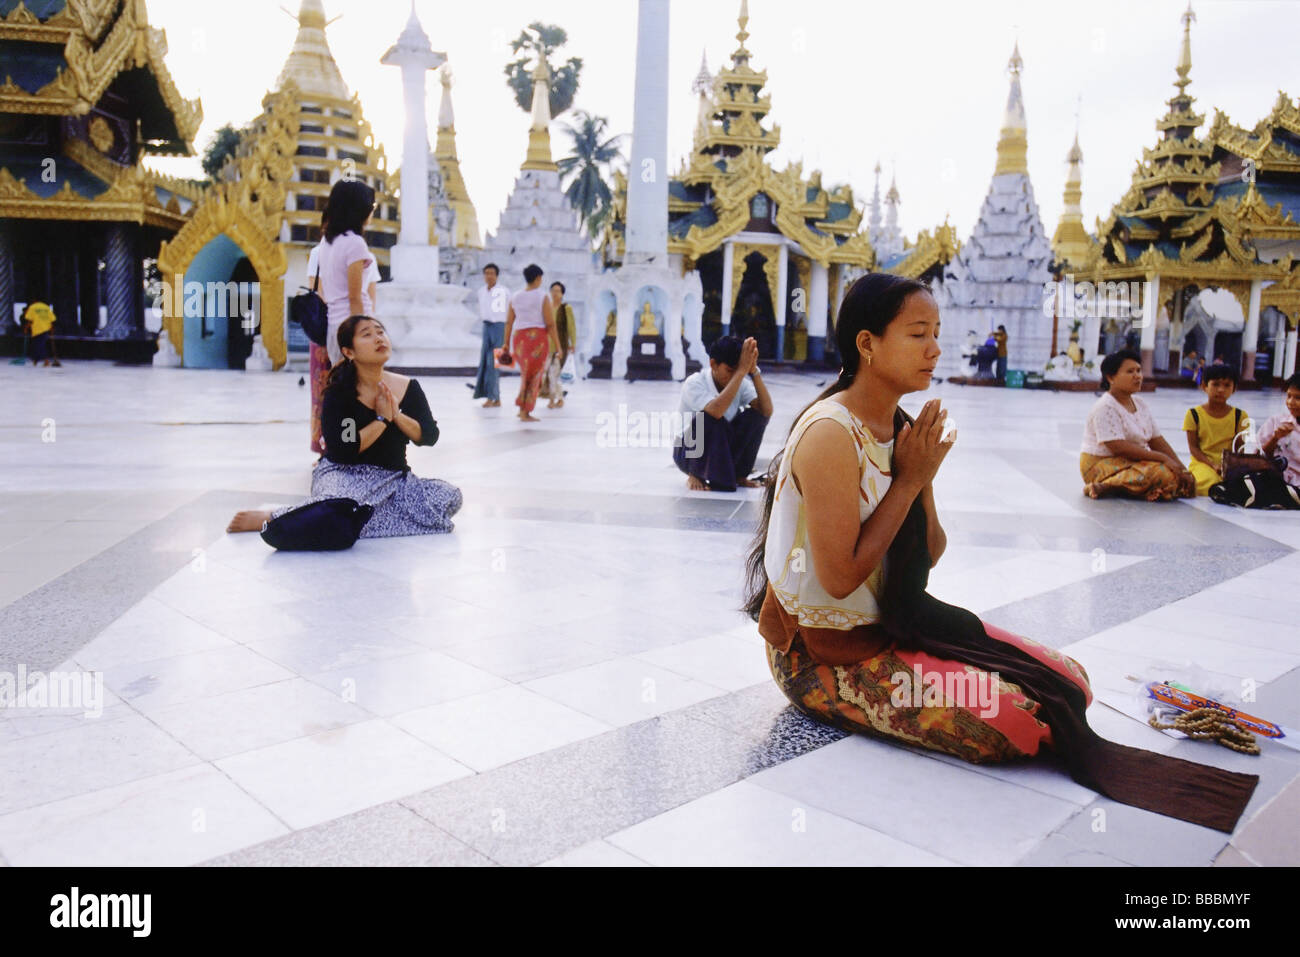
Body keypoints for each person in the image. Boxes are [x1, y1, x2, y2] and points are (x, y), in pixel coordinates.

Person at [741, 272, 1257, 835]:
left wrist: (921, 479)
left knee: (1070, 683)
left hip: (893, 622)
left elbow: (930, 552)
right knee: (1012, 723)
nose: (936, 349)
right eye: (918, 334)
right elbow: (839, 579)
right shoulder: (830, 435)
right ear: (867, 344)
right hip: (821, 652)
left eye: (935, 333)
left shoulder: (900, 426)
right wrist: (909, 483)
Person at [228, 316, 462, 538]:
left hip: (394, 480)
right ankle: (275, 516)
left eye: (381, 332)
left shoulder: (407, 387)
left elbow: (429, 436)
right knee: (341, 506)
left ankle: (348, 519)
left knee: (449, 497)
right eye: (367, 335)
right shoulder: (342, 393)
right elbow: (346, 449)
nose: (379, 338)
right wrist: (381, 420)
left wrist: (396, 415)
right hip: (345, 475)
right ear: (349, 352)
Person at [306, 181, 377, 453]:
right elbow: (356, 295)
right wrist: (366, 332)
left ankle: (337, 447)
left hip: (334, 326)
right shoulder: (356, 244)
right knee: (361, 393)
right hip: (352, 322)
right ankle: (356, 450)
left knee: (342, 392)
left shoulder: (327, 242)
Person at [1079, 349, 1195, 500]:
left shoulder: (1140, 404)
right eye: (1130, 372)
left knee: (1176, 476)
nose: (1137, 376)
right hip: (1101, 463)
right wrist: (1161, 458)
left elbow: (1157, 441)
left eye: (1139, 371)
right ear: (1111, 377)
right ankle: (1108, 485)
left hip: (1132, 462)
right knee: (1160, 473)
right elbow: (1118, 447)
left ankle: (1122, 489)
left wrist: (1182, 469)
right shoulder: (1105, 406)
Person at [673, 335, 773, 492]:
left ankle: (739, 474)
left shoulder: (741, 382)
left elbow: (766, 411)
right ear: (713, 364)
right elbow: (716, 411)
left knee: (756, 416)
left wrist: (753, 371)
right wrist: (740, 372)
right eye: (730, 370)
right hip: (688, 451)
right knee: (708, 417)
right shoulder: (695, 382)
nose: (734, 375)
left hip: (720, 448)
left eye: (738, 371)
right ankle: (695, 473)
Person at [499, 264, 558, 422]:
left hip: (519, 339)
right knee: (535, 376)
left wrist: (505, 343)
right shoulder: (542, 296)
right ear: (538, 278)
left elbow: (509, 323)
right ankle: (525, 411)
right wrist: (558, 346)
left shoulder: (515, 296)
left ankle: (522, 408)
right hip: (537, 338)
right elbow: (550, 324)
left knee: (525, 375)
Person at [1183, 364, 1251, 496]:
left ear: (1234, 389)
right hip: (1203, 463)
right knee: (1207, 482)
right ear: (1204, 386)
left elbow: (1239, 449)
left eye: (1227, 385)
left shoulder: (1240, 416)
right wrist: (1213, 465)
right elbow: (1194, 448)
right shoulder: (1194, 414)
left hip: (1228, 464)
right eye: (1215, 384)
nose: (1221, 390)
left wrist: (1231, 468)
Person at [471, 263, 510, 408]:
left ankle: (493, 397)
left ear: (497, 275)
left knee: (494, 363)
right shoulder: (481, 291)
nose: (489, 276)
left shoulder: (503, 291)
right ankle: (492, 396)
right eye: (486, 273)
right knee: (485, 362)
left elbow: (509, 312)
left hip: (499, 327)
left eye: (492, 273)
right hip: (486, 327)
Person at [1259, 372, 1300, 489]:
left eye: (1298, 398)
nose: (1291, 402)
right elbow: (1259, 455)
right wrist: (1275, 438)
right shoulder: (1277, 421)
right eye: (1289, 396)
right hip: (1277, 481)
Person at [543, 281, 578, 409]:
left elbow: (571, 326)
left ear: (562, 294)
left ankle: (553, 400)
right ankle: (558, 398)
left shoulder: (566, 308)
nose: (555, 293)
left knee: (554, 374)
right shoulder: (547, 307)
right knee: (546, 374)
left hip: (560, 346)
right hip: (547, 345)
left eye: (558, 291)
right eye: (553, 290)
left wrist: (572, 343)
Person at [20, 301, 58, 367]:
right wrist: (52, 329)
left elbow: (30, 320)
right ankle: (36, 360)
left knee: (39, 345)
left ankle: (45, 360)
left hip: (37, 329)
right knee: (39, 345)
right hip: (46, 328)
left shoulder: (32, 307)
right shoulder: (46, 307)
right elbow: (52, 319)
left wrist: (26, 328)